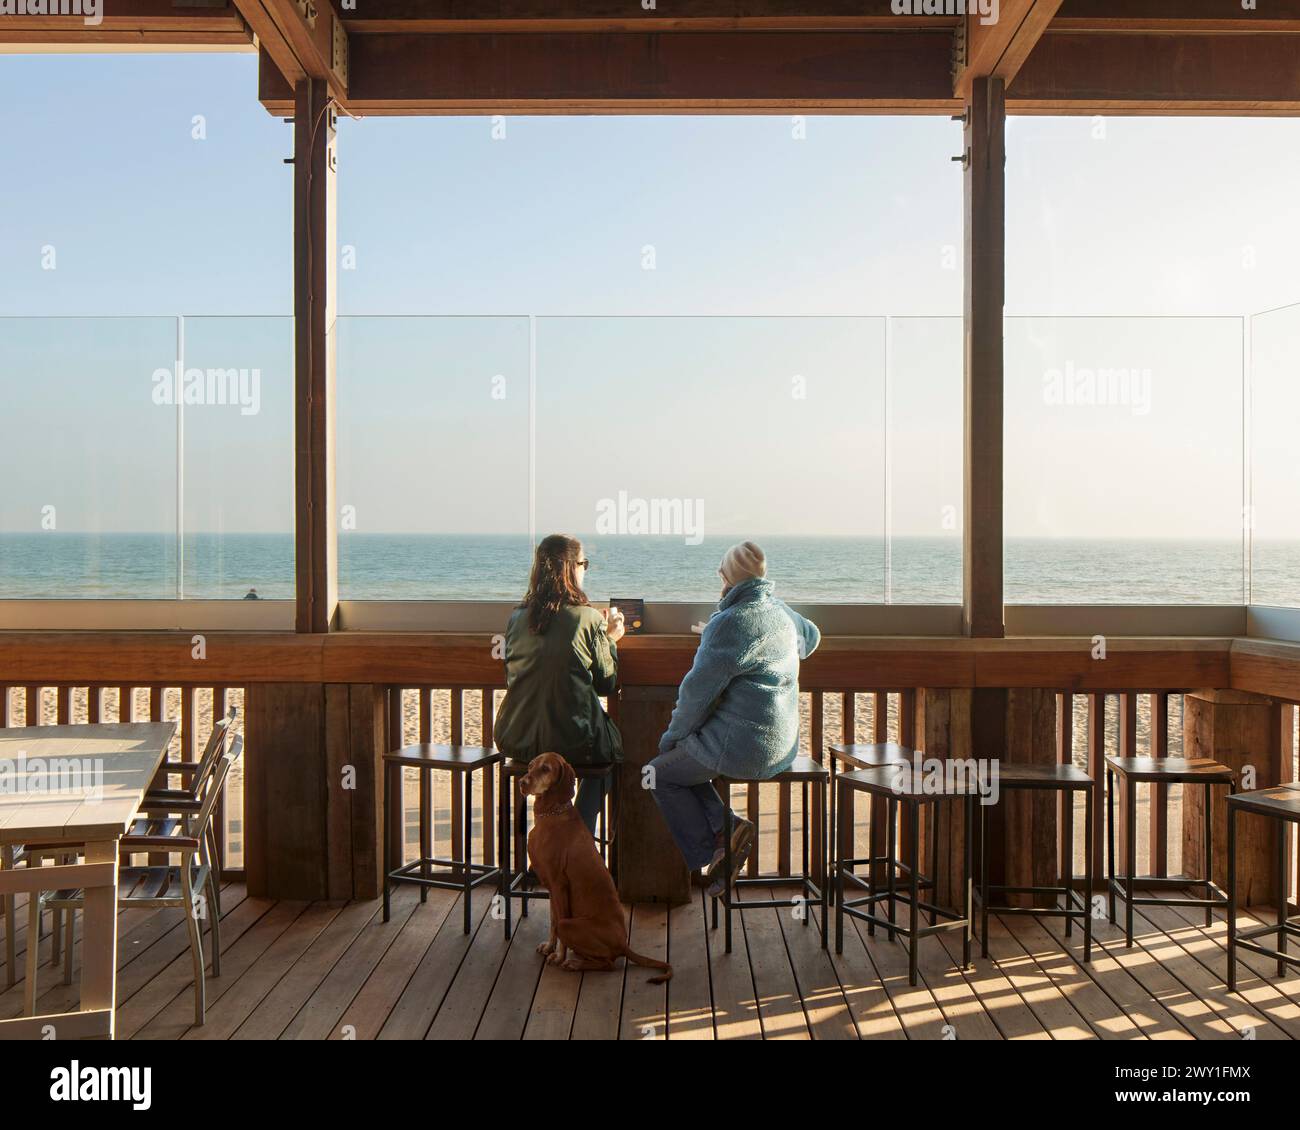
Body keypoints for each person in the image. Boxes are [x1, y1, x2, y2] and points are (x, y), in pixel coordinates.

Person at [649, 541, 820, 896]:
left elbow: (695, 696)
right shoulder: (779, 613)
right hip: (783, 747)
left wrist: (671, 739)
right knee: (688, 762)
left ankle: (713, 852)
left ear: (727, 578)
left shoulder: (729, 623)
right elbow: (813, 636)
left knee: (659, 774)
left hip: (743, 749)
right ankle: (728, 830)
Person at [494, 534, 625, 835]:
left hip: (518, 738)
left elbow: (512, 673)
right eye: (584, 564)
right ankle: (578, 832)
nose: (585, 570)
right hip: (575, 744)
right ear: (571, 568)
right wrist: (611, 639)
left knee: (568, 761)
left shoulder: (516, 618)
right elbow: (607, 682)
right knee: (611, 755)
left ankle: (551, 835)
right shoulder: (588, 618)